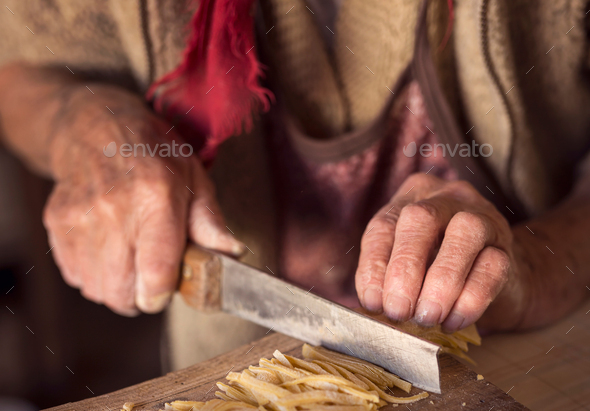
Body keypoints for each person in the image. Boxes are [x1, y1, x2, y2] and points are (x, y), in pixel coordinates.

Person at [0, 0, 589, 370]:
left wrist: (534, 264)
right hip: (226, 383)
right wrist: (81, 127)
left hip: (525, 363)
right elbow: (22, 68)